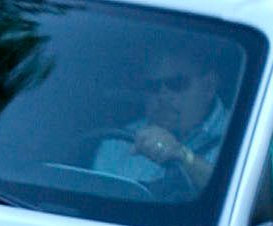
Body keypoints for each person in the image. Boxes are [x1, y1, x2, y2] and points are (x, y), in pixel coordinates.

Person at [92, 45, 232, 196]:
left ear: (208, 86)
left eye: (176, 83)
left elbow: (242, 196)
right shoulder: (117, 142)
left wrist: (184, 157)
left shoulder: (246, 134)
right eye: (152, 86)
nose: (163, 95)